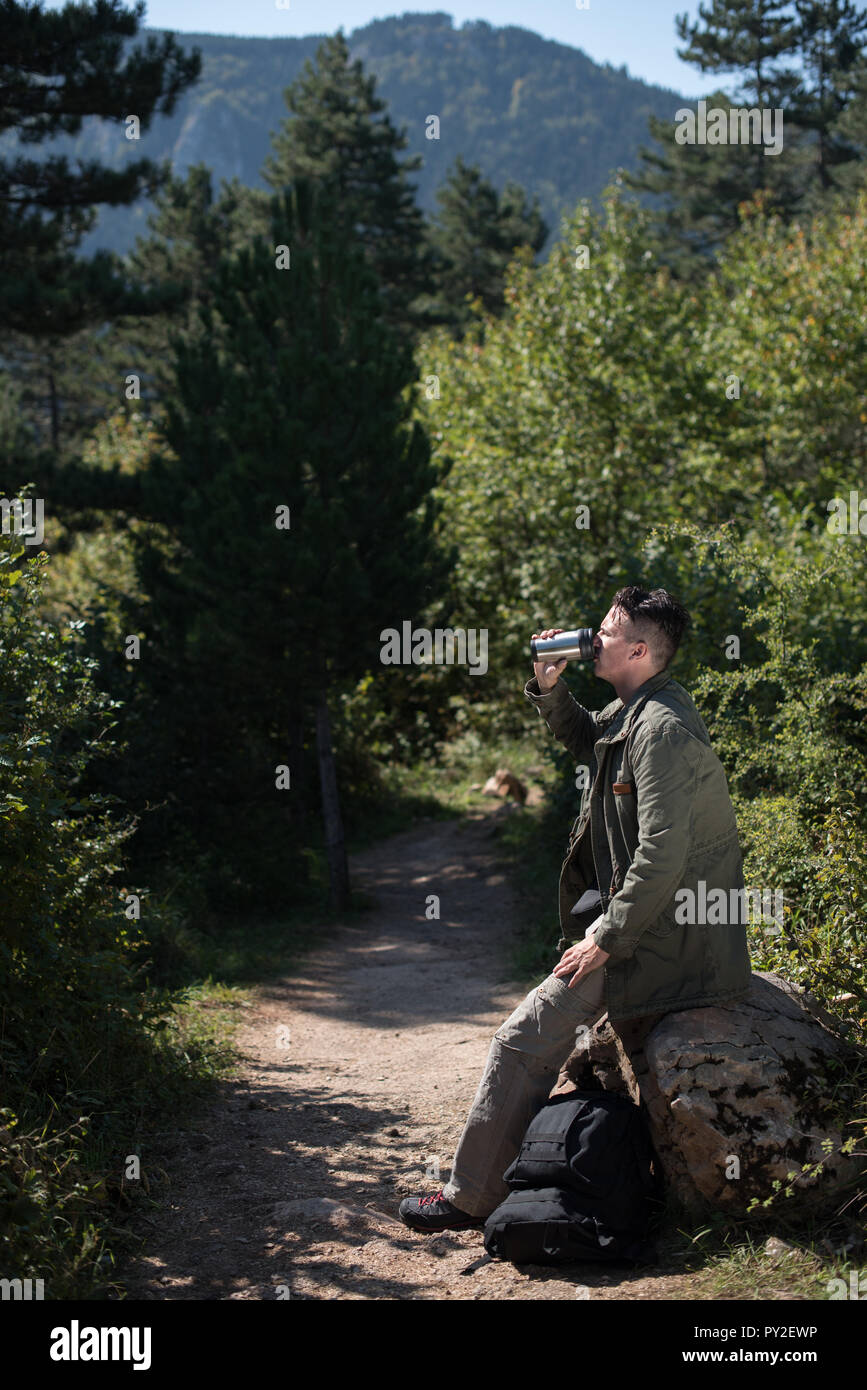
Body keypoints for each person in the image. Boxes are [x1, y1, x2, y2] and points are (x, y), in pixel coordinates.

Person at [398, 585, 752, 1232]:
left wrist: (605, 939)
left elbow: (662, 855)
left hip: (665, 938)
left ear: (638, 650)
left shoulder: (662, 731)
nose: (591, 639)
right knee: (550, 1046)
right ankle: (525, 1174)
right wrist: (549, 688)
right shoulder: (638, 713)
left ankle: (467, 1199)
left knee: (519, 1041)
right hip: (655, 926)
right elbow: (589, 741)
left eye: (605, 633)